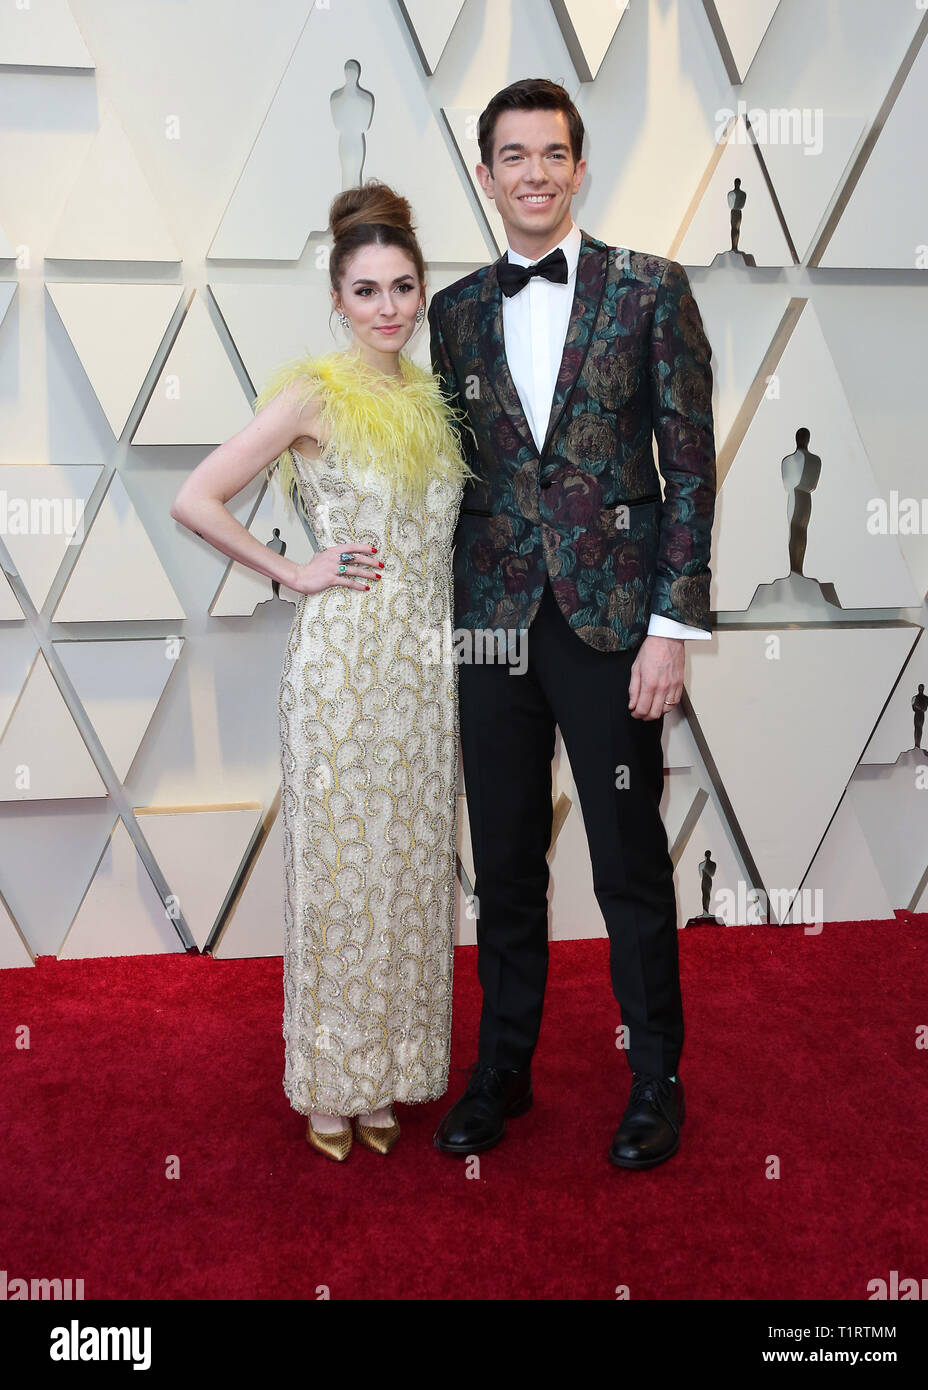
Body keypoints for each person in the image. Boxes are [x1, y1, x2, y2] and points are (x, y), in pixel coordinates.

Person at [427, 79, 716, 1169]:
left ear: (579, 167)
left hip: (611, 627)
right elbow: (449, 478)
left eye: (552, 153)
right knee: (502, 861)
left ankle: (655, 1077)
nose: (534, 173)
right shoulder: (451, 312)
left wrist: (669, 626)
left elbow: (687, 469)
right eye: (513, 155)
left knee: (626, 860)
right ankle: (502, 1068)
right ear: (487, 172)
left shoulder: (650, 290)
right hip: (490, 623)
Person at [170, 181, 475, 1162]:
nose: (387, 308)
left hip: (423, 683)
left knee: (406, 875)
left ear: (420, 291)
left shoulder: (429, 399)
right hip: (343, 674)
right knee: (342, 879)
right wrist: (293, 571)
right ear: (336, 299)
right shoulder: (311, 393)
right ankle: (330, 1085)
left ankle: (385, 1069)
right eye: (366, 290)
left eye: (402, 287)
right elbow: (196, 495)